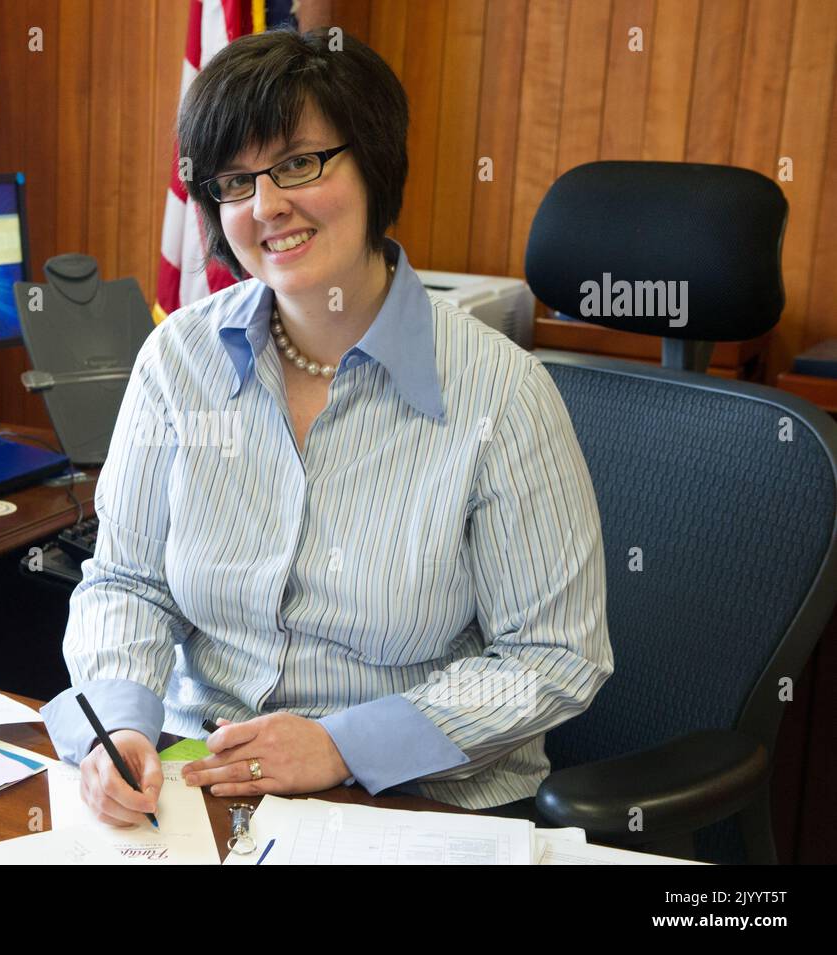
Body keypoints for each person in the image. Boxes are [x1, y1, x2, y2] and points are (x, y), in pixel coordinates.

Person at [41, 26, 612, 828]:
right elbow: (127, 581)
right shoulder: (178, 360)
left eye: (299, 164)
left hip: (418, 803)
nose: (266, 206)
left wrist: (346, 745)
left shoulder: (500, 390)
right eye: (234, 182)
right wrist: (119, 727)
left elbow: (553, 655)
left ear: (374, 164)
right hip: (198, 787)